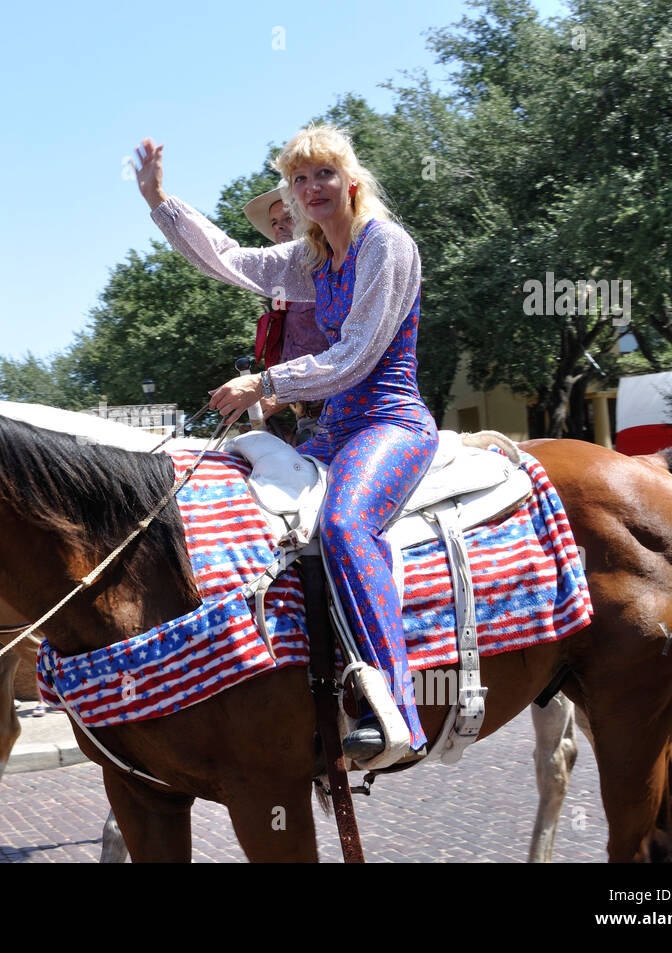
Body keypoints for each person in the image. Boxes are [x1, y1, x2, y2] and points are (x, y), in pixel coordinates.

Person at [134, 125, 439, 759]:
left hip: (391, 422)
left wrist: (263, 381)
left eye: (323, 174)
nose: (311, 188)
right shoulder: (309, 259)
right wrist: (162, 203)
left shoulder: (386, 245)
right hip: (328, 432)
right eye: (299, 180)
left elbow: (356, 355)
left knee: (344, 527)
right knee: (264, 526)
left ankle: (397, 714)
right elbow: (228, 259)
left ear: (350, 181)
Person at [242, 184, 330, 441]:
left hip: (338, 420)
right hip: (307, 421)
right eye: (274, 222)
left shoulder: (328, 276)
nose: (279, 227)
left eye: (288, 218)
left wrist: (272, 396)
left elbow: (335, 356)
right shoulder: (284, 291)